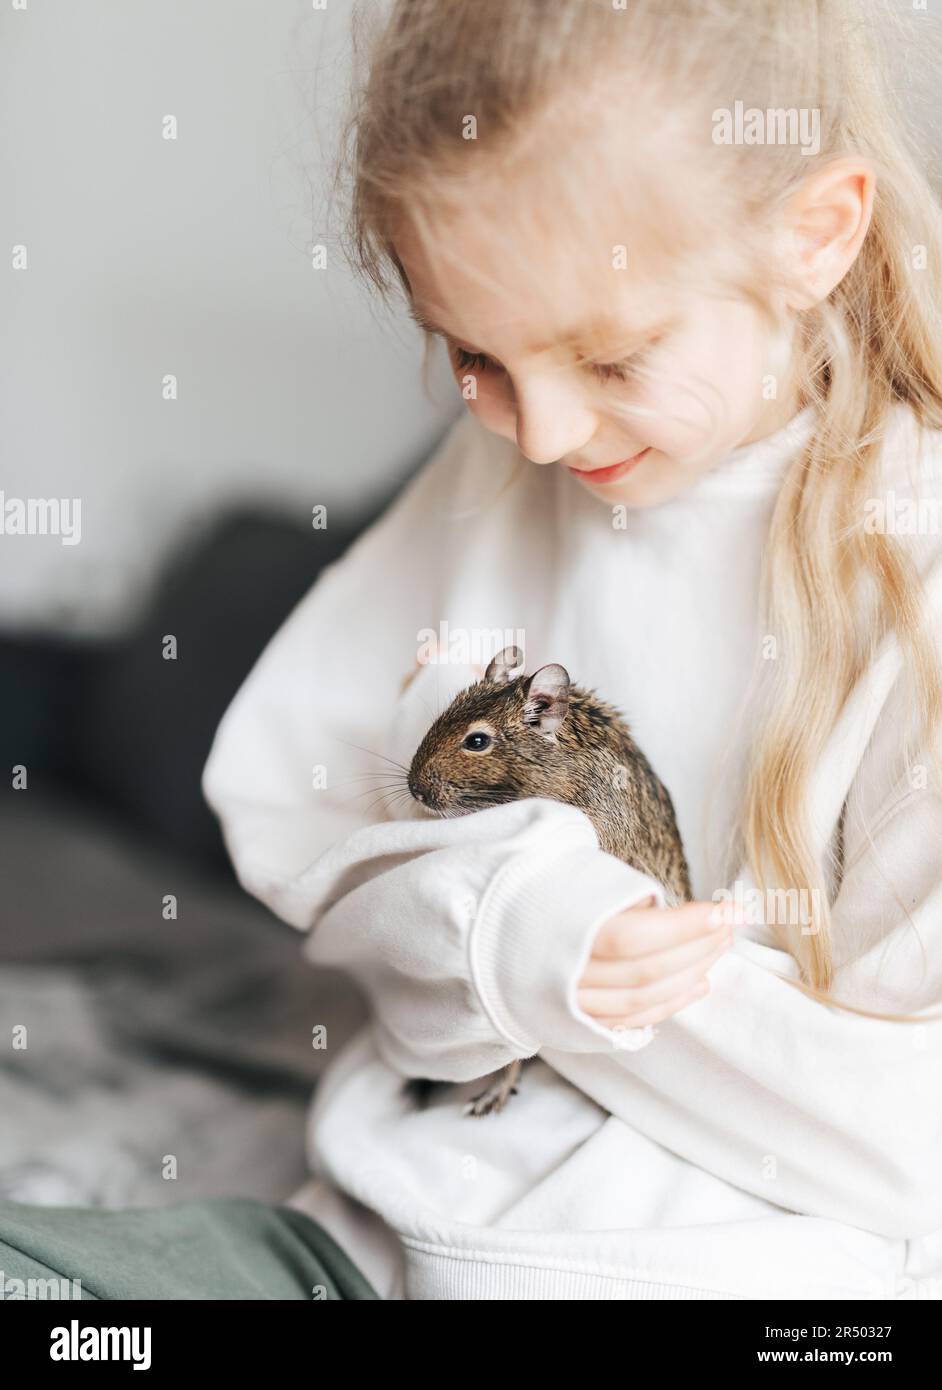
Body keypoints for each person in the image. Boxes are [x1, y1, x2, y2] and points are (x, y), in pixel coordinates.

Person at [200, 0, 942, 1300]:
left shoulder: (911, 563)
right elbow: (311, 844)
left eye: (613, 356)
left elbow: (895, 1137)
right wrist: (506, 931)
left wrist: (532, 976)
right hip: (374, 1233)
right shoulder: (502, 468)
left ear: (815, 234)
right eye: (472, 356)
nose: (538, 434)